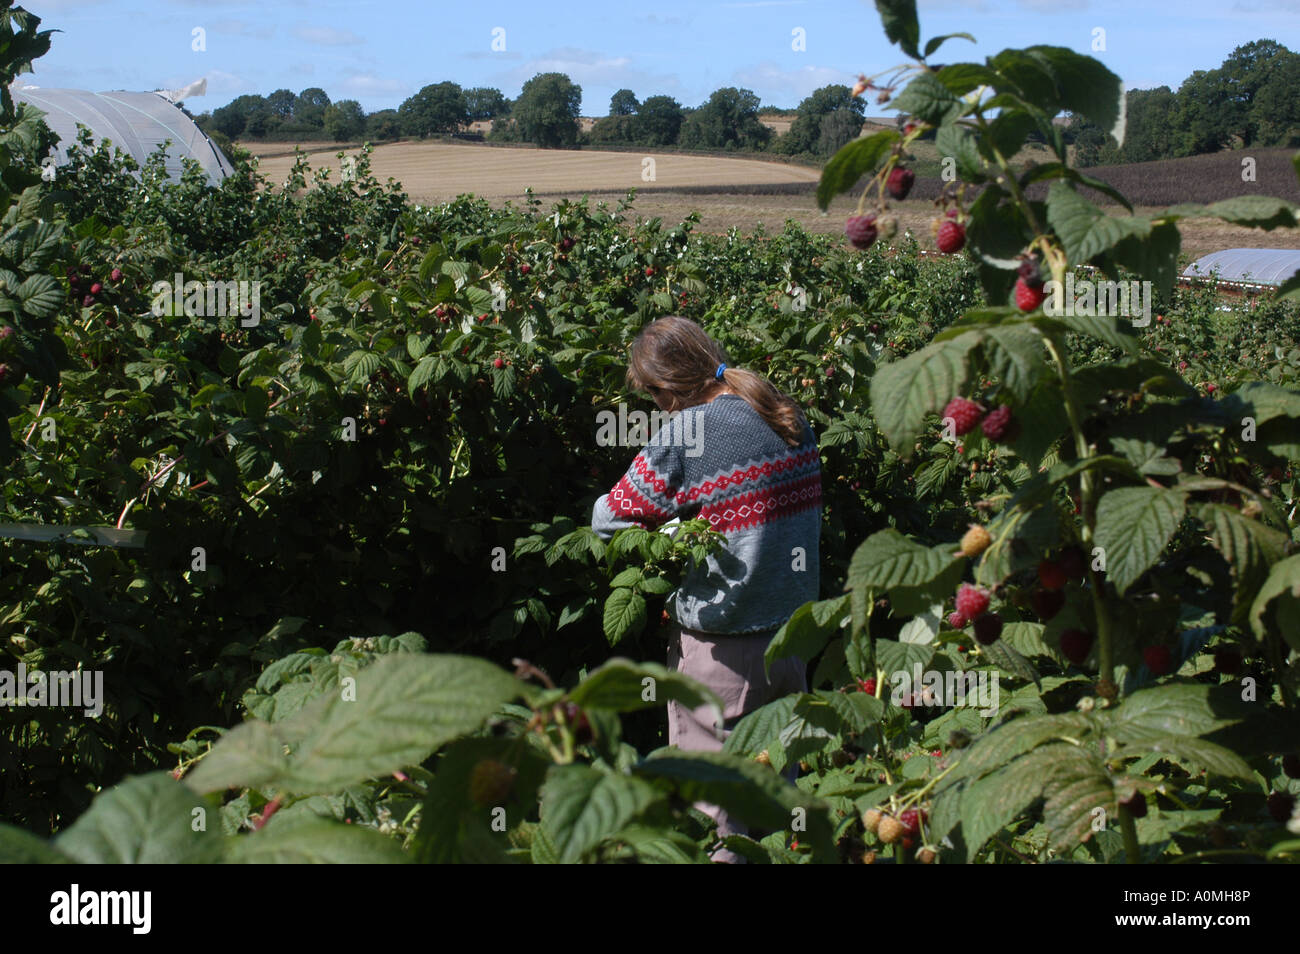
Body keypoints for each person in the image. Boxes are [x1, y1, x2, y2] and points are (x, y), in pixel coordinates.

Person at [590, 315, 823, 862]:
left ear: (664, 387)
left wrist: (675, 532)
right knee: (778, 796)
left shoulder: (686, 433)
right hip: (794, 637)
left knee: (717, 816)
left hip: (725, 648)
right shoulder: (785, 412)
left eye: (651, 395)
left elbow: (608, 517)